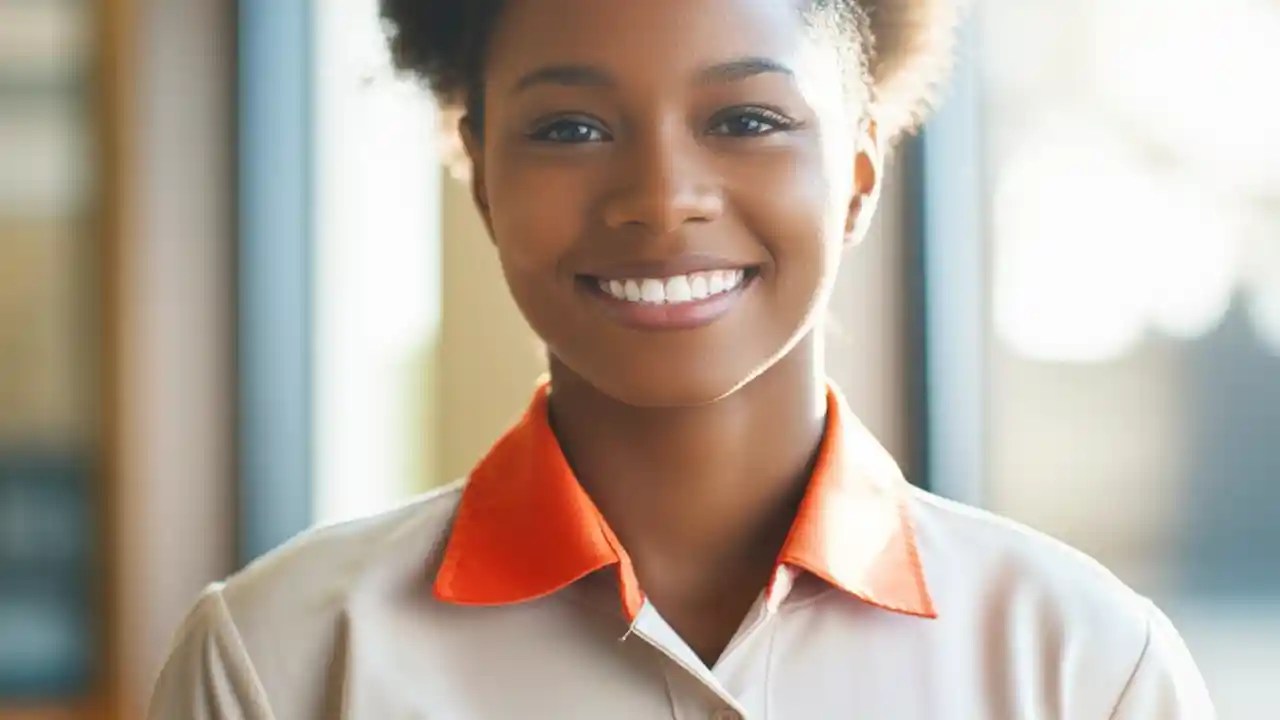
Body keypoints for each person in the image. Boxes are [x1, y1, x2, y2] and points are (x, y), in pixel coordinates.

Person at [149, 0, 1215, 717]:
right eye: (569, 129)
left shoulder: (1082, 668)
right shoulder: (277, 661)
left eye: (746, 118)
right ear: (480, 176)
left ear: (855, 178)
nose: (659, 200)